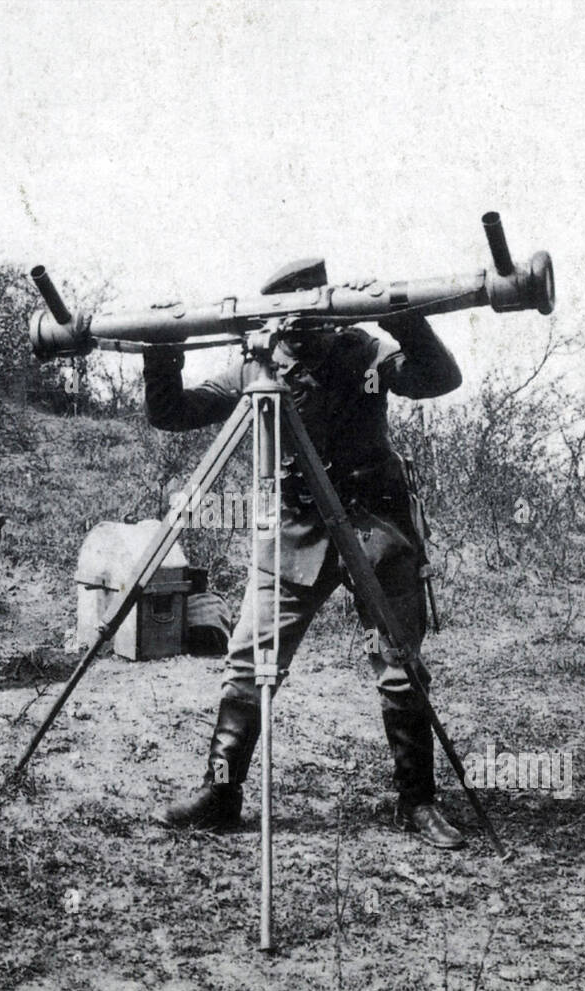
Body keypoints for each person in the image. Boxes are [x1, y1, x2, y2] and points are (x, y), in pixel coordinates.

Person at [143, 258, 467, 848]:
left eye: (312, 312)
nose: (303, 329)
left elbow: (438, 378)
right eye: (292, 317)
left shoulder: (362, 352)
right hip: (293, 529)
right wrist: (161, 350)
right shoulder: (258, 366)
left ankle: (417, 801)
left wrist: (407, 318)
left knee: (399, 667)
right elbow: (171, 413)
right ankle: (221, 793)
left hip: (374, 525)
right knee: (248, 662)